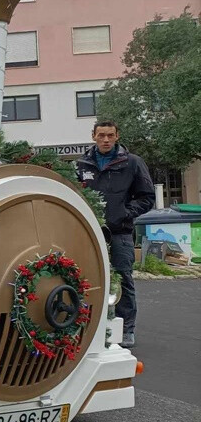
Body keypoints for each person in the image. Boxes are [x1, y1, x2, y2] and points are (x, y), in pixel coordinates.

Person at [76, 121, 155, 349]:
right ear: (93, 136)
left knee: (123, 279)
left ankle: (127, 329)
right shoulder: (82, 164)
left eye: (110, 135)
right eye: (101, 135)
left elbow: (147, 197)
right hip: (91, 233)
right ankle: (91, 327)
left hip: (120, 232)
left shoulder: (132, 163)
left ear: (117, 136)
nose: (106, 140)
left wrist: (126, 214)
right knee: (88, 280)